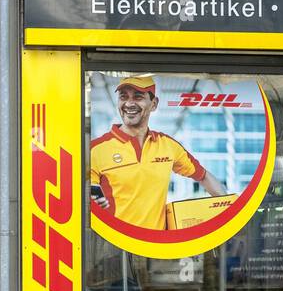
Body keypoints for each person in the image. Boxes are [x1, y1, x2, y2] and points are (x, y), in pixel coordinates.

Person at [89, 75, 227, 230]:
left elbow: (203, 176)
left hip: (155, 243)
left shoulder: (167, 145)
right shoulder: (95, 150)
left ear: (153, 104)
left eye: (138, 97)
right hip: (114, 242)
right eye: (123, 97)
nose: (129, 103)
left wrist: (229, 213)